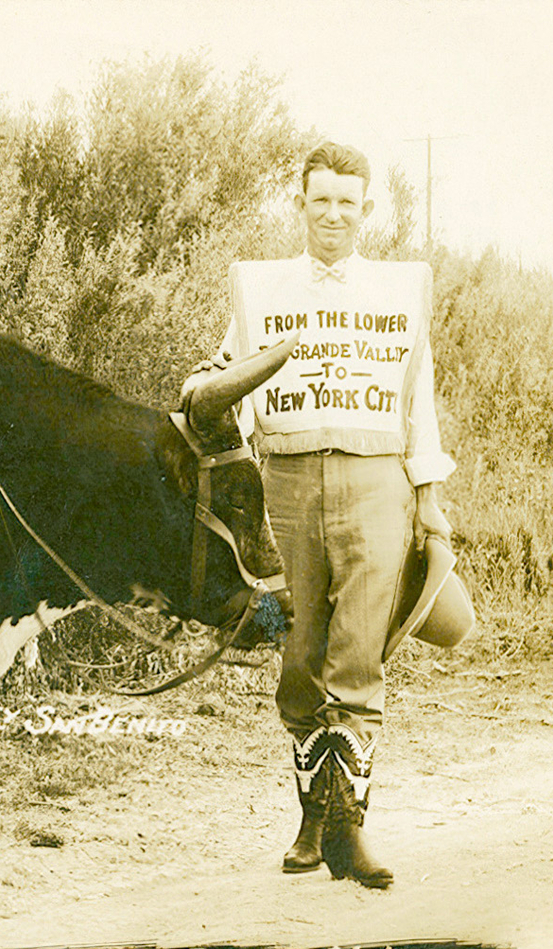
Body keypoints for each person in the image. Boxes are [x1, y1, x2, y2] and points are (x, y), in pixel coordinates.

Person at [182, 141, 455, 889]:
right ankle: (309, 819)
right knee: (297, 653)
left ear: (366, 210)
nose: (333, 214)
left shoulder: (397, 291)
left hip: (377, 488)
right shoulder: (261, 290)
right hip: (288, 488)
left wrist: (428, 496)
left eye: (347, 201)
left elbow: (416, 395)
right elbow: (226, 371)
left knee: (358, 655)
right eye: (319, 199)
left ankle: (349, 831)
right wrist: (201, 388)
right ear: (299, 205)